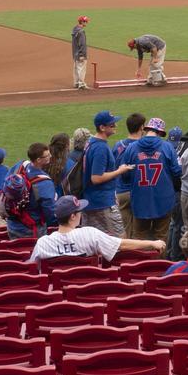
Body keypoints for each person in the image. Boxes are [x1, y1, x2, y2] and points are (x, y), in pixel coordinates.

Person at [29, 196, 166, 263]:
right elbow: (122, 244)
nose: (81, 213)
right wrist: (152, 243)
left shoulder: (43, 243)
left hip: (56, 296)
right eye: (79, 211)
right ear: (72, 217)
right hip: (87, 292)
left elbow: (32, 267)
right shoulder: (89, 234)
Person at [124, 117, 182, 243]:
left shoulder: (131, 148)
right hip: (164, 200)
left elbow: (124, 175)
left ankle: (140, 263)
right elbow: (177, 172)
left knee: (139, 239)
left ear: (146, 129)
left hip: (139, 200)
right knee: (160, 238)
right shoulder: (167, 147)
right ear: (160, 132)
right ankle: (159, 263)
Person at [82, 111, 134, 237]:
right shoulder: (100, 148)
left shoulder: (91, 142)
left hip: (91, 200)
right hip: (102, 202)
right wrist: (119, 171)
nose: (115, 126)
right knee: (120, 239)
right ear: (102, 127)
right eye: (112, 125)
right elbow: (96, 178)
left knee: (93, 241)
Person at [3, 143, 55, 239]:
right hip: (32, 229)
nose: (50, 156)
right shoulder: (44, 182)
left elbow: (5, 183)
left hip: (12, 224)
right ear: (39, 160)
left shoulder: (19, 165)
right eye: (47, 155)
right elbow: (49, 210)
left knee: (14, 253)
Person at [113, 113, 146, 237]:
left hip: (121, 192)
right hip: (139, 192)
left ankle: (125, 256)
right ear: (142, 127)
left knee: (124, 231)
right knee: (140, 232)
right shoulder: (144, 146)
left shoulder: (118, 145)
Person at [71, 15, 90, 90]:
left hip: (75, 52)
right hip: (80, 53)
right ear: (82, 22)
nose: (86, 23)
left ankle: (76, 82)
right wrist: (82, 54)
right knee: (81, 68)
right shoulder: (81, 31)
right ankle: (81, 83)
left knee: (76, 68)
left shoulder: (75, 29)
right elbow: (82, 44)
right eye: (85, 21)